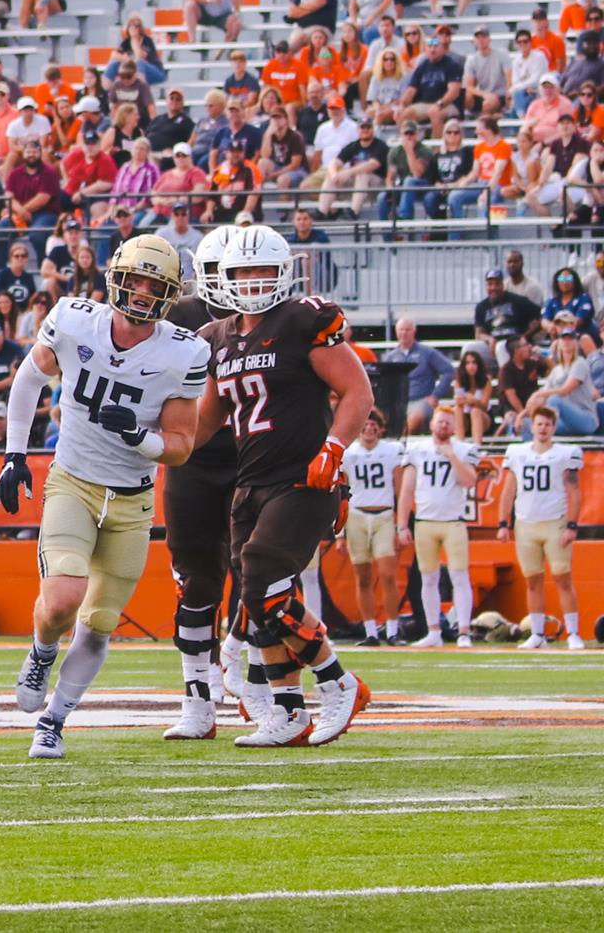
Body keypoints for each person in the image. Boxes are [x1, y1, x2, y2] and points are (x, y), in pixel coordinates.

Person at [0, 236, 207, 759]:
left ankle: (54, 721)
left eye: (154, 285)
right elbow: (29, 379)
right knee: (62, 601)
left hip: (133, 501)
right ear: (116, 279)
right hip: (74, 481)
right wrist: (15, 455)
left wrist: (140, 437)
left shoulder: (184, 352)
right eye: (135, 280)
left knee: (100, 622)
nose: (142, 292)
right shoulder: (74, 321)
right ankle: (42, 650)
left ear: (170, 293)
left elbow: (181, 446)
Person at [201, 227, 372, 746]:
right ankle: (289, 711)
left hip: (304, 476)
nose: (253, 281)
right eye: (242, 272)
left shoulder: (301, 320)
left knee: (261, 580)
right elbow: (205, 421)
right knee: (262, 598)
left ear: (284, 273)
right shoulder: (217, 337)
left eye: (263, 271)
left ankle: (338, 681)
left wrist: (334, 449)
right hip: (250, 480)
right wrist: (150, 441)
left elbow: (357, 391)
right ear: (225, 277)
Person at [160, 227, 244, 734]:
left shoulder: (279, 318)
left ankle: (243, 661)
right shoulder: (179, 315)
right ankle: (199, 690)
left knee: (259, 568)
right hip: (191, 454)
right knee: (197, 577)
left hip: (253, 455)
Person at [495, 410, 587, 651]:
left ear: (553, 428)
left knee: (562, 578)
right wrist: (503, 523)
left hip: (555, 522)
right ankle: (537, 634)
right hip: (525, 524)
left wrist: (572, 525)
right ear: (532, 427)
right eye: (539, 424)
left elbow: (574, 491)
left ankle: (573, 633)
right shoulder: (518, 453)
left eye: (547, 424)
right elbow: (508, 490)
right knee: (532, 581)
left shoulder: (565, 453)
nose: (543, 428)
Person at [398, 407, 480, 648]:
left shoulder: (463, 450)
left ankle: (463, 632)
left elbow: (469, 481)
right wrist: (402, 525)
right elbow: (407, 490)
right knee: (428, 578)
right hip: (425, 521)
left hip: (454, 521)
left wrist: (452, 456)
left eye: (448, 422)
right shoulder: (417, 450)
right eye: (440, 421)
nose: (444, 425)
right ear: (432, 424)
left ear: (454, 427)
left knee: (459, 575)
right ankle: (433, 631)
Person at [339, 410, 405, 646]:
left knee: (388, 574)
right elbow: (341, 492)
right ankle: (370, 632)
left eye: (374, 424)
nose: (369, 428)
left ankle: (392, 631)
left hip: (384, 515)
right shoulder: (348, 453)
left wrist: (401, 524)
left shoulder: (391, 451)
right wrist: (340, 533)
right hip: (356, 516)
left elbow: (400, 490)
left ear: (381, 428)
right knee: (363, 578)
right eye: (365, 424)